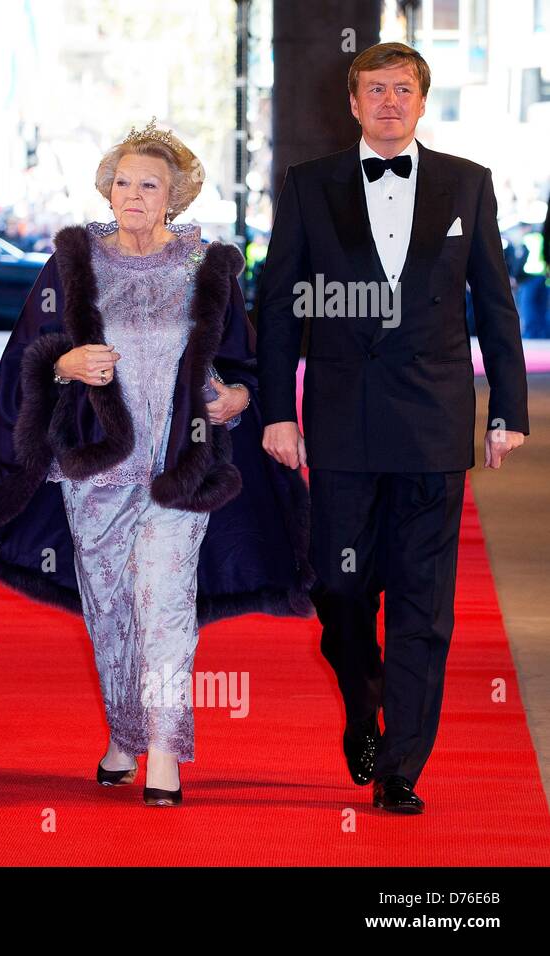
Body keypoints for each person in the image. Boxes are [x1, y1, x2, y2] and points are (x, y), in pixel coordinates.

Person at [0, 119, 314, 808]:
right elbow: (25, 356)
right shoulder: (73, 263)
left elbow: (242, 362)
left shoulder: (206, 267)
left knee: (166, 606)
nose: (132, 194)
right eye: (122, 181)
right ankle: (125, 733)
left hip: (180, 469)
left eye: (148, 184)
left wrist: (238, 397)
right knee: (111, 611)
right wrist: (62, 362)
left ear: (173, 195)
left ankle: (164, 751)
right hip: (93, 471)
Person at [256, 42, 529, 814]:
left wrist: (505, 410)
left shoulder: (466, 185)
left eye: (401, 90)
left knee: (422, 602)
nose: (388, 102)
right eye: (374, 90)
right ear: (353, 102)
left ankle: (401, 766)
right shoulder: (310, 186)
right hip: (340, 425)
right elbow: (280, 306)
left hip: (432, 426)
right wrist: (278, 409)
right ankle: (362, 693)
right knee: (341, 590)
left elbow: (495, 306)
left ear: (421, 100)